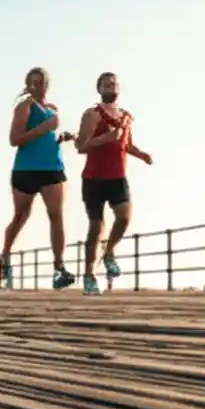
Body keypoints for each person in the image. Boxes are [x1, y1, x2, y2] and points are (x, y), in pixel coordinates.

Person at [74, 72, 153, 295]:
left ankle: (109, 252)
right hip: (93, 178)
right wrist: (104, 139)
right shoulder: (92, 114)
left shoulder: (125, 116)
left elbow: (126, 144)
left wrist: (141, 154)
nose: (111, 86)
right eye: (106, 83)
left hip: (117, 176)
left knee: (125, 218)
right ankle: (89, 275)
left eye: (114, 83)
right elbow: (81, 146)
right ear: (99, 89)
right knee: (96, 228)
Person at [0, 67, 77, 290]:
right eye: (31, 82)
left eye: (39, 82)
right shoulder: (24, 108)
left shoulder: (52, 109)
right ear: (27, 85)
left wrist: (61, 137)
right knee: (21, 215)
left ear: (47, 84)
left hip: (52, 166)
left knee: (56, 215)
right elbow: (15, 139)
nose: (36, 86)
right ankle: (5, 256)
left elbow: (49, 134)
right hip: (26, 168)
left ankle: (59, 268)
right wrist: (44, 128)